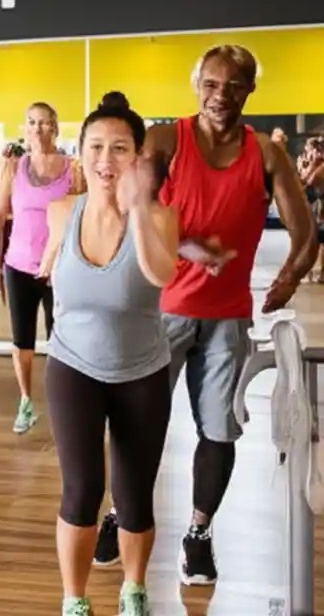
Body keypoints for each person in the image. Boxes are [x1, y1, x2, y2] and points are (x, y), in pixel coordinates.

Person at [91, 45, 318, 585]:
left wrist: (287, 277)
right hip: (161, 312)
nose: (222, 96)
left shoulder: (265, 153)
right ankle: (122, 514)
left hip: (227, 317)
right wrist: (185, 244)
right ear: (198, 87)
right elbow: (133, 199)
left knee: (218, 430)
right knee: (139, 426)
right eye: (212, 85)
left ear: (250, 90)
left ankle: (198, 533)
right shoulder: (169, 139)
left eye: (235, 86)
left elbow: (305, 228)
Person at [39, 92, 178, 616]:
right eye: (95, 146)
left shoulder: (161, 217)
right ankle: (74, 600)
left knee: (134, 493)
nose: (105, 160)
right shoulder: (59, 213)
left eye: (120, 148)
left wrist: (137, 205)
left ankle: (133, 589)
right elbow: (50, 272)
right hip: (72, 364)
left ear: (138, 158)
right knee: (82, 489)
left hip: (142, 367)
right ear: (79, 154)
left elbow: (160, 274)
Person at [0, 103, 79, 435]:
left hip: (58, 266)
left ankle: (63, 400)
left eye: (44, 123)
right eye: (31, 123)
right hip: (19, 264)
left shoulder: (73, 169)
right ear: (24, 128)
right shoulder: (13, 168)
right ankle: (25, 401)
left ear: (55, 127)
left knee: (62, 337)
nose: (38, 129)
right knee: (22, 339)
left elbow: (79, 216)